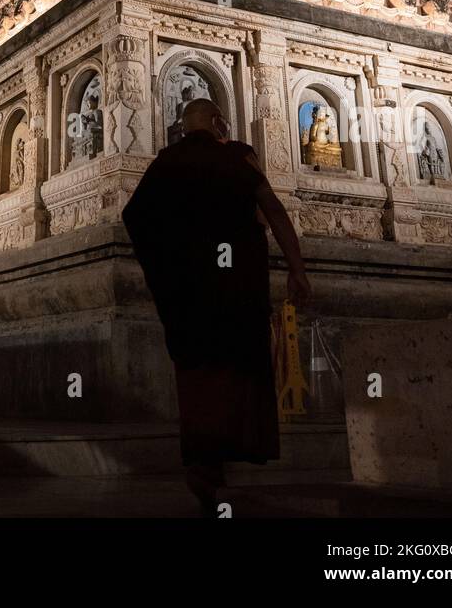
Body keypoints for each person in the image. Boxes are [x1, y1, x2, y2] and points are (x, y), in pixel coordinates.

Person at [122, 98, 312, 515]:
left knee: (198, 376)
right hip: (237, 287)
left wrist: (166, 268)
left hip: (190, 292)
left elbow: (134, 216)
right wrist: (296, 270)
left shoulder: (167, 163)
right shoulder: (237, 157)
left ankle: (204, 463)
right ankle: (225, 456)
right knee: (238, 370)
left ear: (183, 127)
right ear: (217, 122)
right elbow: (274, 210)